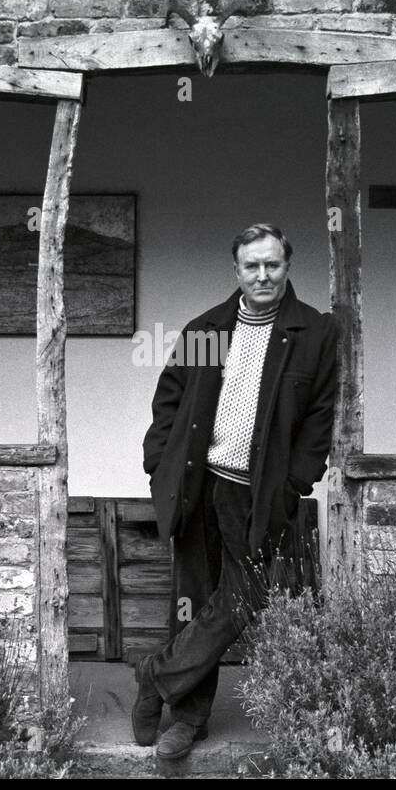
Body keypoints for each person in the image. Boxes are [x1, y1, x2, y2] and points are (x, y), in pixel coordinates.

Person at [135, 223, 339, 759]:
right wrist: (159, 463)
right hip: (198, 485)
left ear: (287, 266)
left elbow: (319, 419)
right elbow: (169, 403)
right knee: (195, 603)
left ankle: (155, 675)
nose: (263, 274)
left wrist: (296, 482)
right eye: (252, 265)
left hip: (258, 493)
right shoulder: (207, 329)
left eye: (272, 264)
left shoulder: (314, 333)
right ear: (237, 270)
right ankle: (187, 721)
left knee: (245, 597)